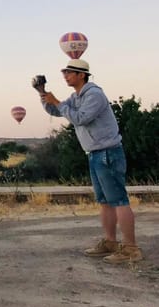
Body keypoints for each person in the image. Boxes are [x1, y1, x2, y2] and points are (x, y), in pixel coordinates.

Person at [38, 58, 142, 264]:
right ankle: (111, 242)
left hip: (107, 153)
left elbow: (79, 118)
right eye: (64, 72)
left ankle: (131, 248)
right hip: (95, 154)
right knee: (105, 202)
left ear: (81, 74)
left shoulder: (94, 95)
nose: (65, 76)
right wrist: (42, 93)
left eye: (69, 72)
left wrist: (56, 101)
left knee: (119, 200)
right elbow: (54, 110)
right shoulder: (76, 96)